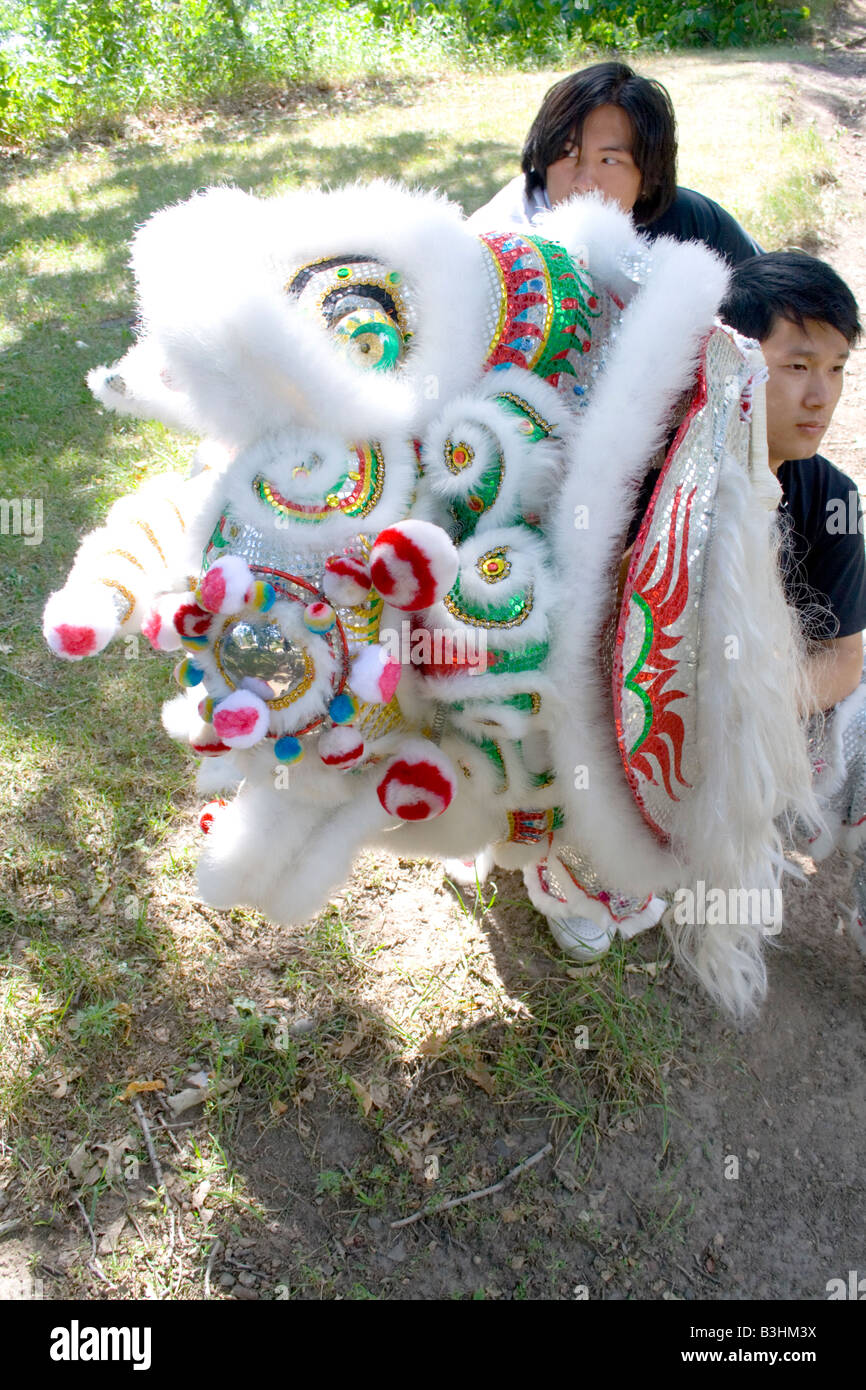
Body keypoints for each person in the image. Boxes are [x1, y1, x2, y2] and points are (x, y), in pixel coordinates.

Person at [466, 61, 760, 266]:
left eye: (609, 160)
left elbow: (780, 306)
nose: (584, 182)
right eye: (568, 154)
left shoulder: (694, 225)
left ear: (649, 177)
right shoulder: (500, 248)